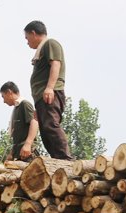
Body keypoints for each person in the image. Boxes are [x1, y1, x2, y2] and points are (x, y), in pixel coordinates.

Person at [24, 20, 73, 160]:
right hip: (41, 98)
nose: (27, 42)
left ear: (33, 33)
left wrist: (50, 88)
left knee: (51, 125)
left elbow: (55, 64)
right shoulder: (42, 49)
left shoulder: (50, 44)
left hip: (50, 93)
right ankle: (57, 160)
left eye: (27, 38)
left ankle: (66, 160)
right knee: (45, 131)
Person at [0, 81, 38, 161]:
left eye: (3, 96)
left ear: (9, 92)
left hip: (27, 152)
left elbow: (34, 122)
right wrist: (12, 153)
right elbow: (18, 136)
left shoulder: (24, 104)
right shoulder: (16, 108)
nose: (3, 101)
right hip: (19, 153)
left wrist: (28, 144)